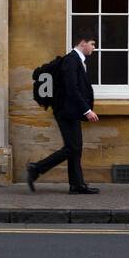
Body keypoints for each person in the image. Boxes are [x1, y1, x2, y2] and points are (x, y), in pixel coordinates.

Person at [26, 32, 100, 194]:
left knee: (76, 147)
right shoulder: (71, 60)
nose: (94, 48)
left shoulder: (76, 61)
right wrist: (87, 110)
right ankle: (36, 168)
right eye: (92, 44)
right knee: (72, 148)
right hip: (66, 111)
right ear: (82, 42)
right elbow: (72, 89)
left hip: (71, 111)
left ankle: (76, 185)